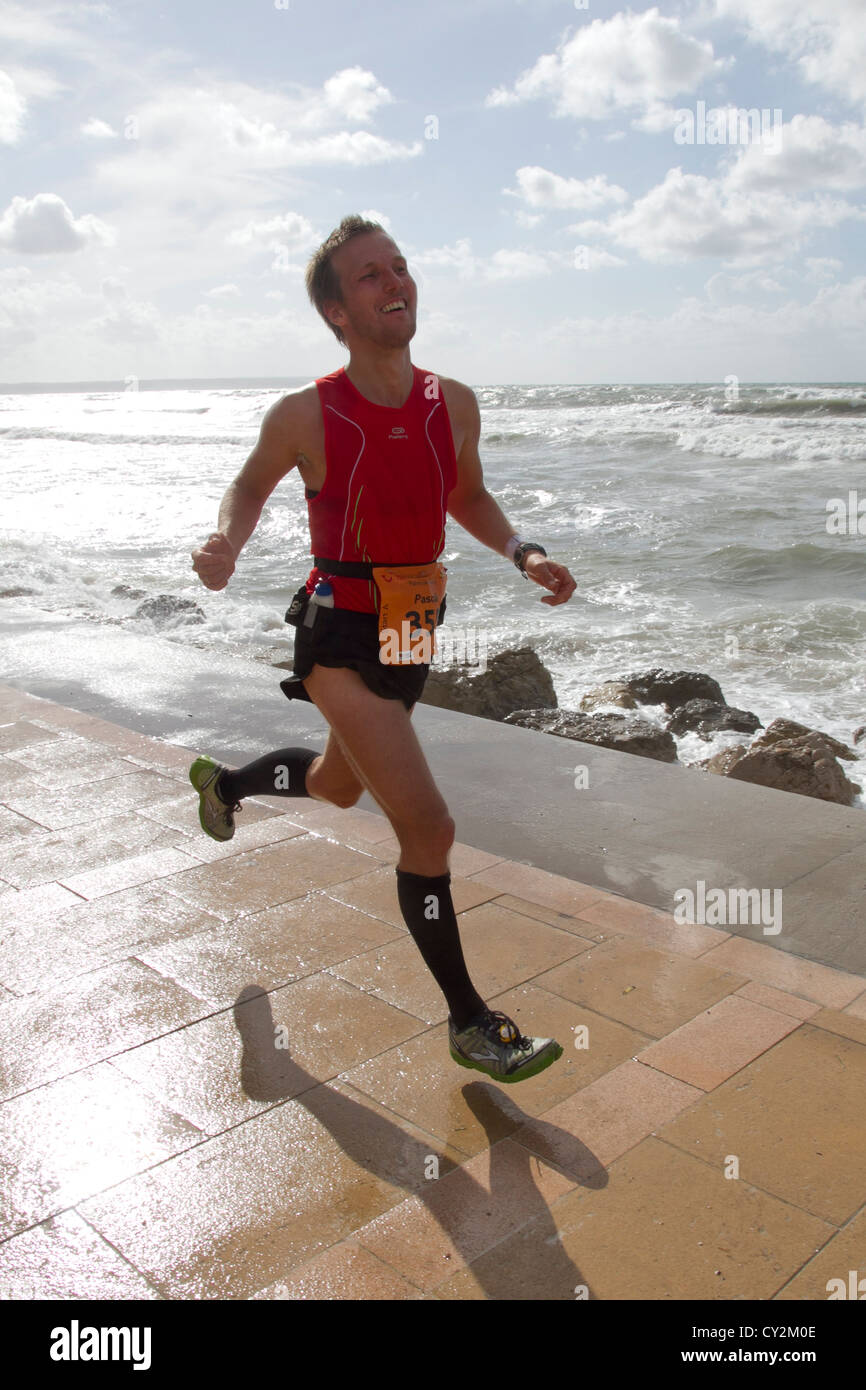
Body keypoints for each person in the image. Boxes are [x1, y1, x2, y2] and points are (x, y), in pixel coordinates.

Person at [190, 215, 577, 1083]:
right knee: (429, 826)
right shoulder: (307, 412)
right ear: (335, 309)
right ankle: (471, 1022)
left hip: (412, 624)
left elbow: (466, 496)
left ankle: (227, 787)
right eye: (369, 275)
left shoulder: (455, 402)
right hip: (338, 629)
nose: (393, 281)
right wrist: (225, 543)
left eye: (400, 266)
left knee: (334, 788)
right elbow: (249, 486)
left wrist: (525, 553)